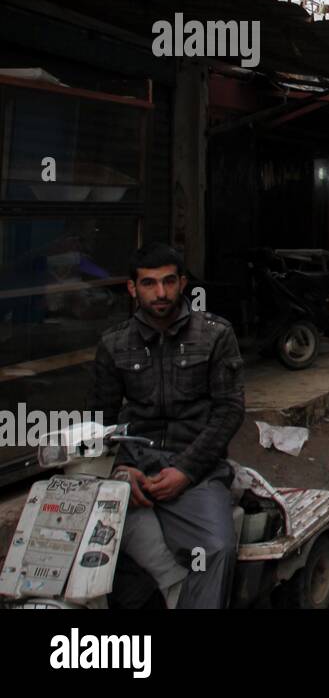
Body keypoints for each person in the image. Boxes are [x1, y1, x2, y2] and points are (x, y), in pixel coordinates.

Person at [90, 242, 244, 609]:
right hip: (133, 472)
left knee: (217, 548)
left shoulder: (215, 334)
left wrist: (185, 471)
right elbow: (100, 421)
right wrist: (121, 468)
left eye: (168, 282)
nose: (160, 293)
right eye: (148, 283)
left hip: (196, 471)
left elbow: (228, 411)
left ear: (183, 283)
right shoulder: (113, 344)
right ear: (132, 288)